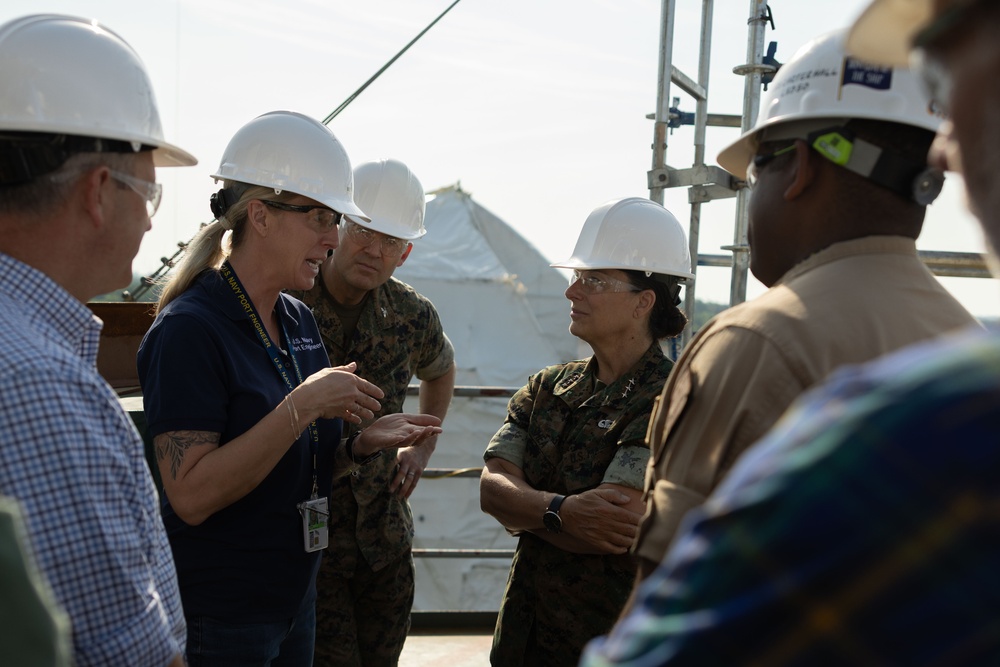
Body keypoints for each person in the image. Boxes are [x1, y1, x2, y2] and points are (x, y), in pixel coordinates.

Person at [579, 3, 1000, 664]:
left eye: (756, 172)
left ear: (799, 166)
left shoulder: (754, 343)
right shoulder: (961, 342)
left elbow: (665, 598)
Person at [137, 111, 442, 666]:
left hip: (294, 601)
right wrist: (301, 406)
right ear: (261, 215)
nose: (333, 239)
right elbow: (192, 495)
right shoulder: (191, 329)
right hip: (226, 615)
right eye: (321, 218)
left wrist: (359, 446)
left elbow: (302, 461)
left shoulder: (296, 319)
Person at [0, 14, 196, 667]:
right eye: (151, 193)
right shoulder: (42, 386)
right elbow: (130, 654)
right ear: (100, 192)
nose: (148, 221)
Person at [479, 197, 693, 667]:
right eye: (577, 278)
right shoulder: (548, 387)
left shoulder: (670, 396)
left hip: (608, 643)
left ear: (644, 301)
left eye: (593, 280)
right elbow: (492, 491)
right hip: (522, 638)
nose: (572, 292)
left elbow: (612, 528)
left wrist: (530, 509)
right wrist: (560, 511)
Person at [290, 158, 456, 666]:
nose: (373, 250)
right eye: (364, 230)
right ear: (338, 226)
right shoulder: (287, 299)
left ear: (404, 254)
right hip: (307, 542)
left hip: (384, 539)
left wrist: (422, 445)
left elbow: (441, 368)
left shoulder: (411, 314)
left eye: (390, 241)